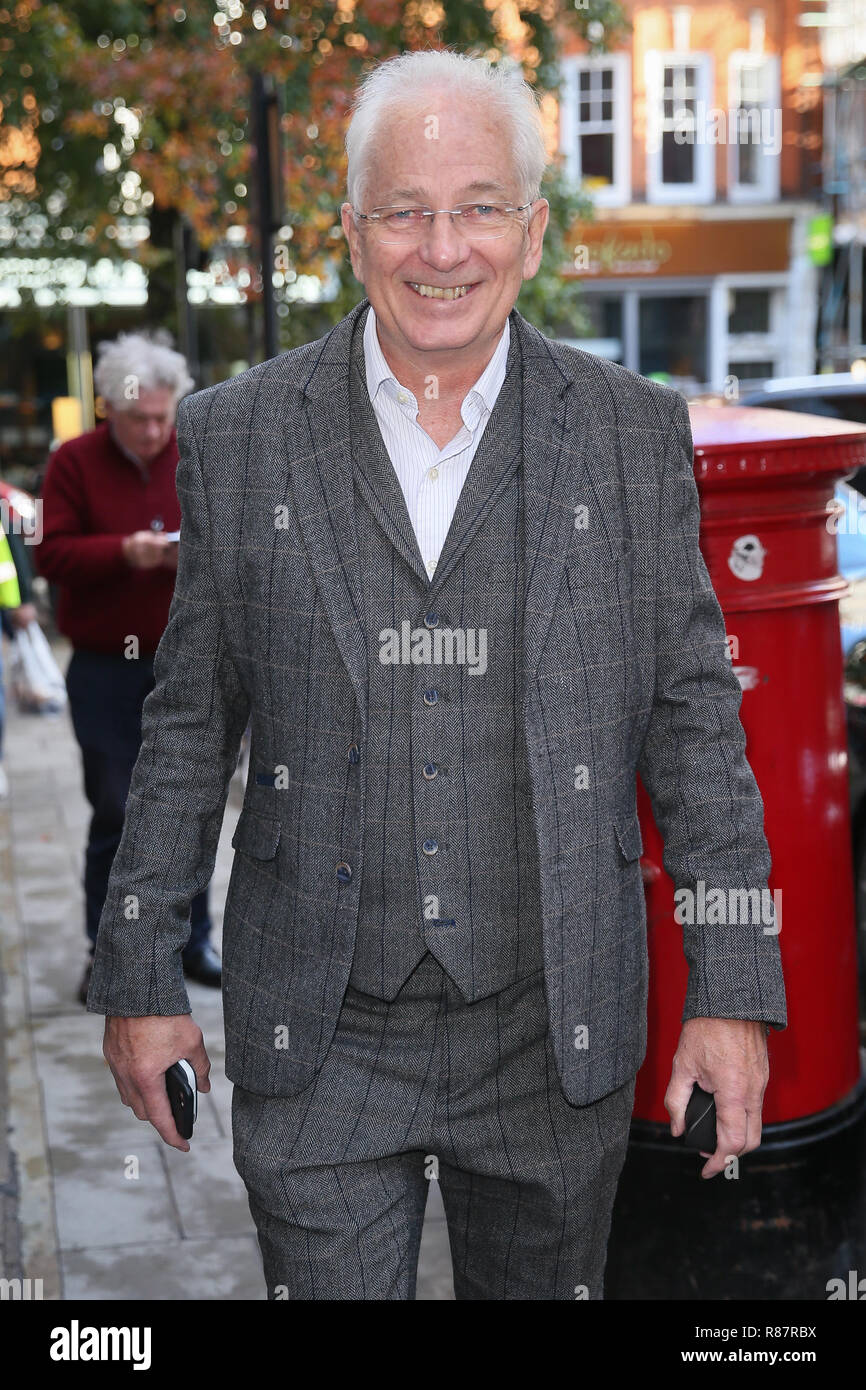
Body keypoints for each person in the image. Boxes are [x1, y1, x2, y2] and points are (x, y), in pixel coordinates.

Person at [86, 51, 787, 1300]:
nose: (440, 247)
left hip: (549, 1026)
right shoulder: (241, 435)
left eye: (477, 207)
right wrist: (140, 969)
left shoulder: (627, 432)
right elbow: (191, 724)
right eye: (404, 209)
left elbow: (694, 724)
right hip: (320, 1028)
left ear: (529, 229)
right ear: (352, 231)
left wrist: (730, 985)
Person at [37, 332, 223, 1003]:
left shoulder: (194, 451)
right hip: (103, 668)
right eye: (139, 418)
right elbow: (51, 555)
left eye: (162, 418)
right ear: (109, 410)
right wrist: (126, 552)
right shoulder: (74, 462)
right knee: (116, 809)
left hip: (187, 664)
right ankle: (107, 953)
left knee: (190, 808)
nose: (152, 430)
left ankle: (193, 940)